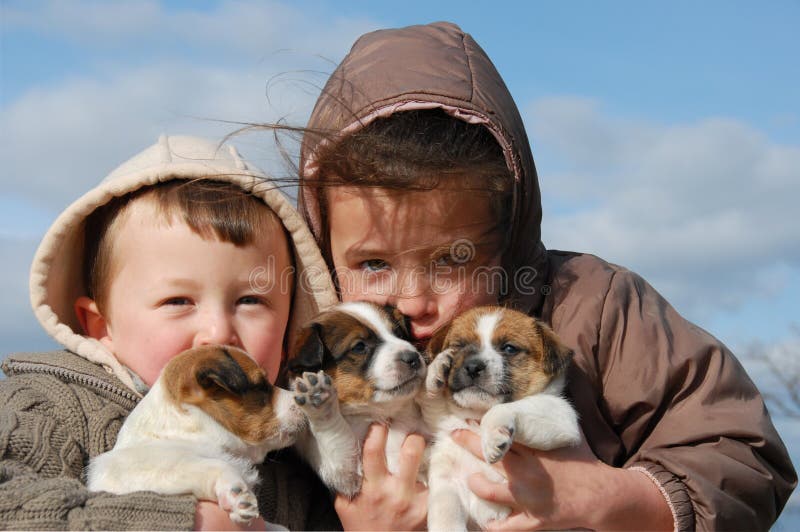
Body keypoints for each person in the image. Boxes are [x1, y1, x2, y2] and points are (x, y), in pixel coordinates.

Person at [296, 22, 797, 530]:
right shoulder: (309, 351)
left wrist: (618, 499)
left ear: (505, 241)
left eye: (451, 260)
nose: (413, 302)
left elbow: (744, 453)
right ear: (325, 248)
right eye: (374, 265)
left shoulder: (592, 303)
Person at [0, 135, 339, 530]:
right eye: (178, 301)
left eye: (250, 301)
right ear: (99, 326)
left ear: (289, 322)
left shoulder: (295, 456)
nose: (216, 332)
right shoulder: (51, 407)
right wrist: (188, 523)